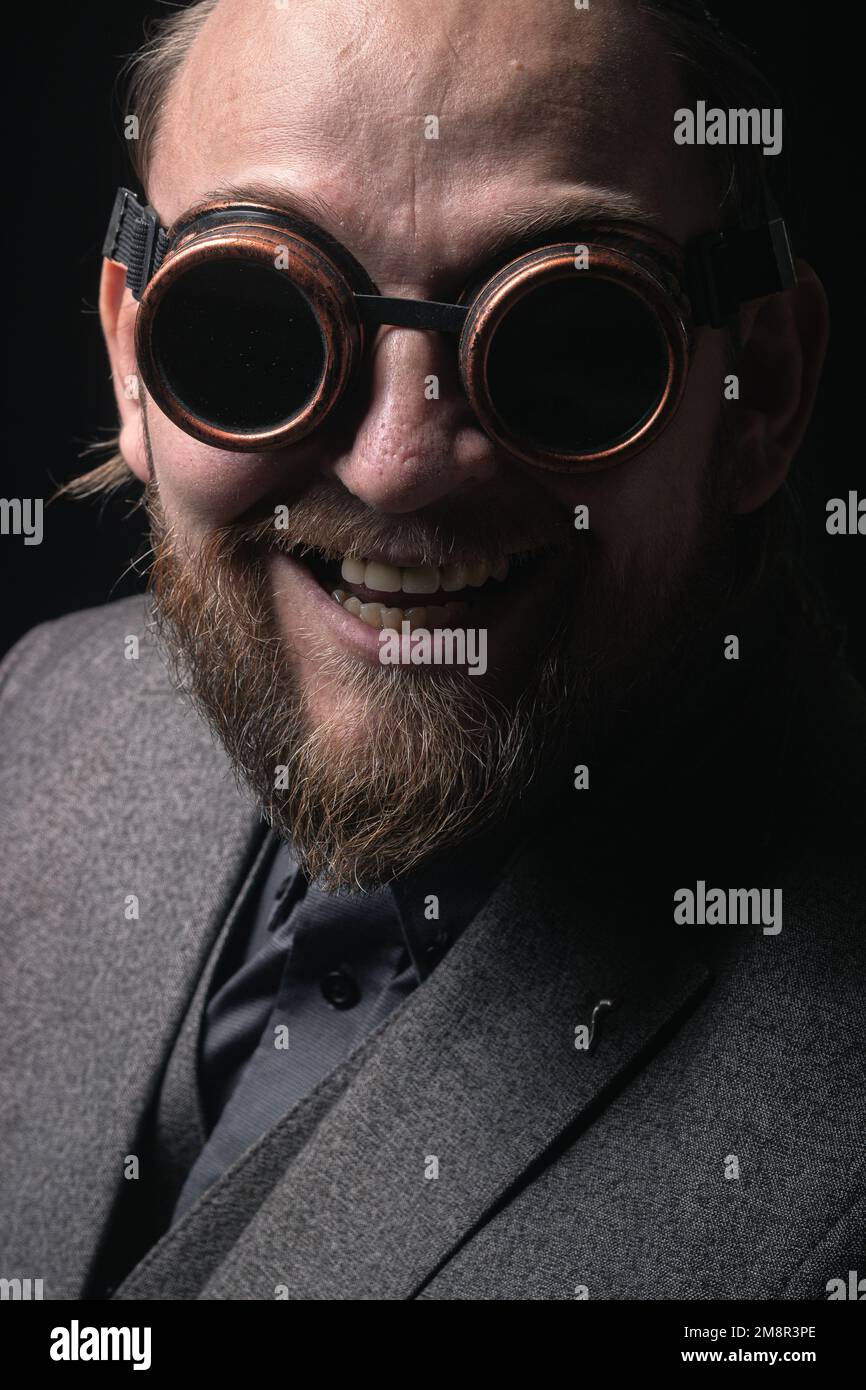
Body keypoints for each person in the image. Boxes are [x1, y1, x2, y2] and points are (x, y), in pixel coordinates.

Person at [1, 0, 863, 1302]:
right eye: (253, 319)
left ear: (760, 391)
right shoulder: (40, 710)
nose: (395, 468)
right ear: (131, 359)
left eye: (566, 336)